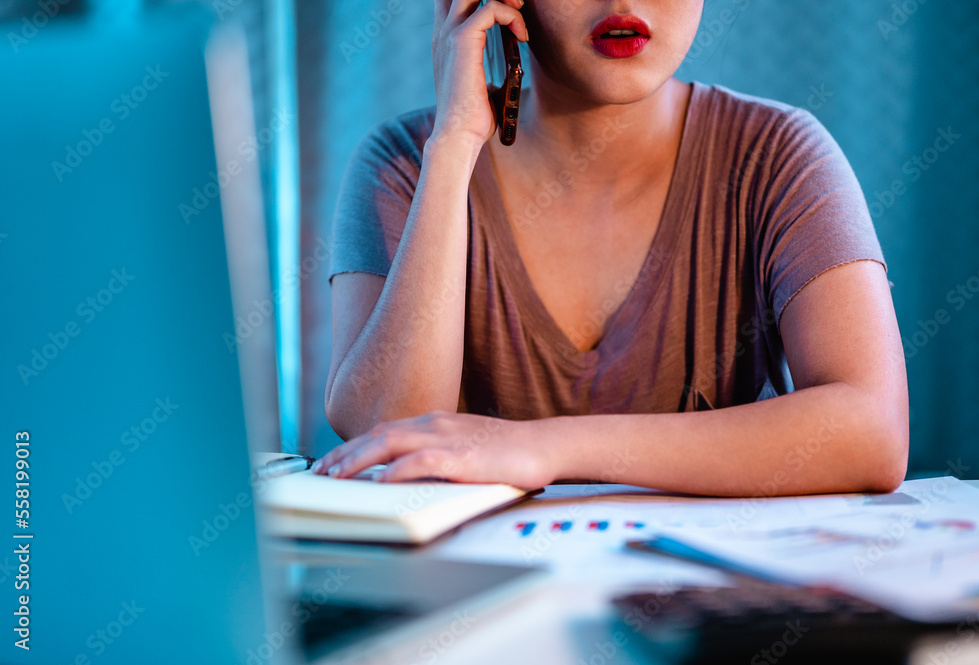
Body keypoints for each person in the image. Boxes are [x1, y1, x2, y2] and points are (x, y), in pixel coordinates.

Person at [314, 0, 909, 496]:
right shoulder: (403, 163)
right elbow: (390, 432)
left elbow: (872, 428)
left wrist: (543, 447)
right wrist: (453, 143)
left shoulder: (780, 157)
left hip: (694, 612)